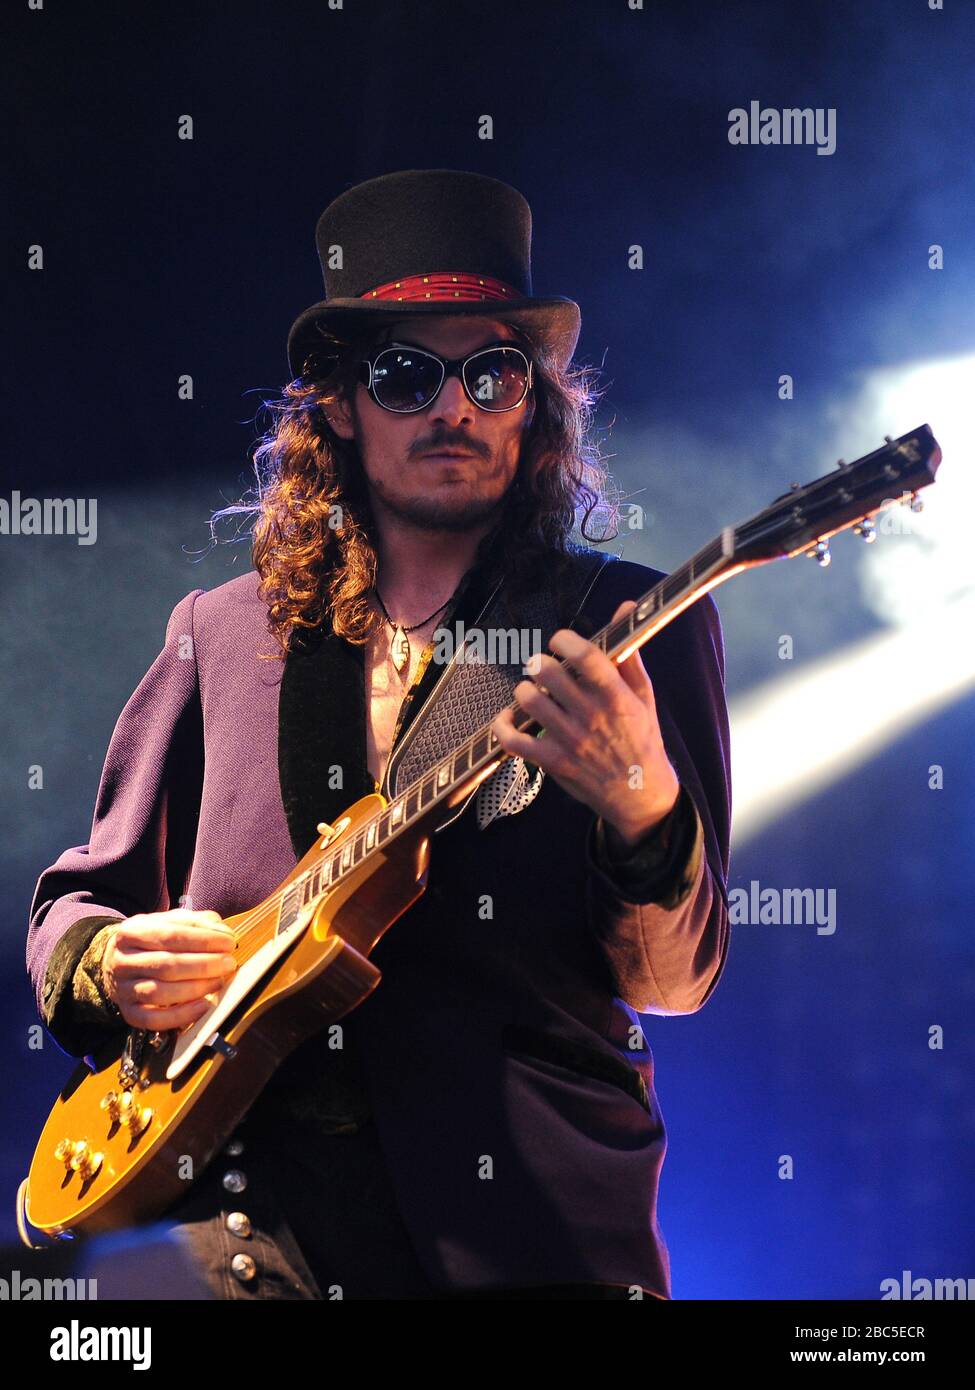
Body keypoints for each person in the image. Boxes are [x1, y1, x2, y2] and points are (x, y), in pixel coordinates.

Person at [27, 169, 732, 1300]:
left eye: (492, 373)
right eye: (408, 375)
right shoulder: (220, 633)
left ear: (531, 403)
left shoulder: (620, 627)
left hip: (527, 1237)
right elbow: (77, 895)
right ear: (341, 407)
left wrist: (645, 805)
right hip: (253, 1232)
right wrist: (110, 962)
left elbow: (677, 979)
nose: (454, 408)